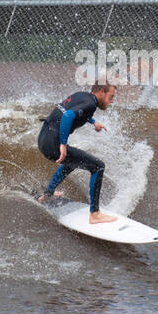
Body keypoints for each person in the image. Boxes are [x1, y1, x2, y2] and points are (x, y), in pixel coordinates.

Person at [36, 83, 117, 224]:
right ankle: (95, 214)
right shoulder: (91, 104)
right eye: (111, 97)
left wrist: (93, 121)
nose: (112, 101)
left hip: (44, 138)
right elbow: (67, 116)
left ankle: (47, 194)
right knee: (98, 166)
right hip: (53, 144)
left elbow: (71, 110)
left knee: (72, 161)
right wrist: (63, 143)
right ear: (102, 92)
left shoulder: (82, 95)